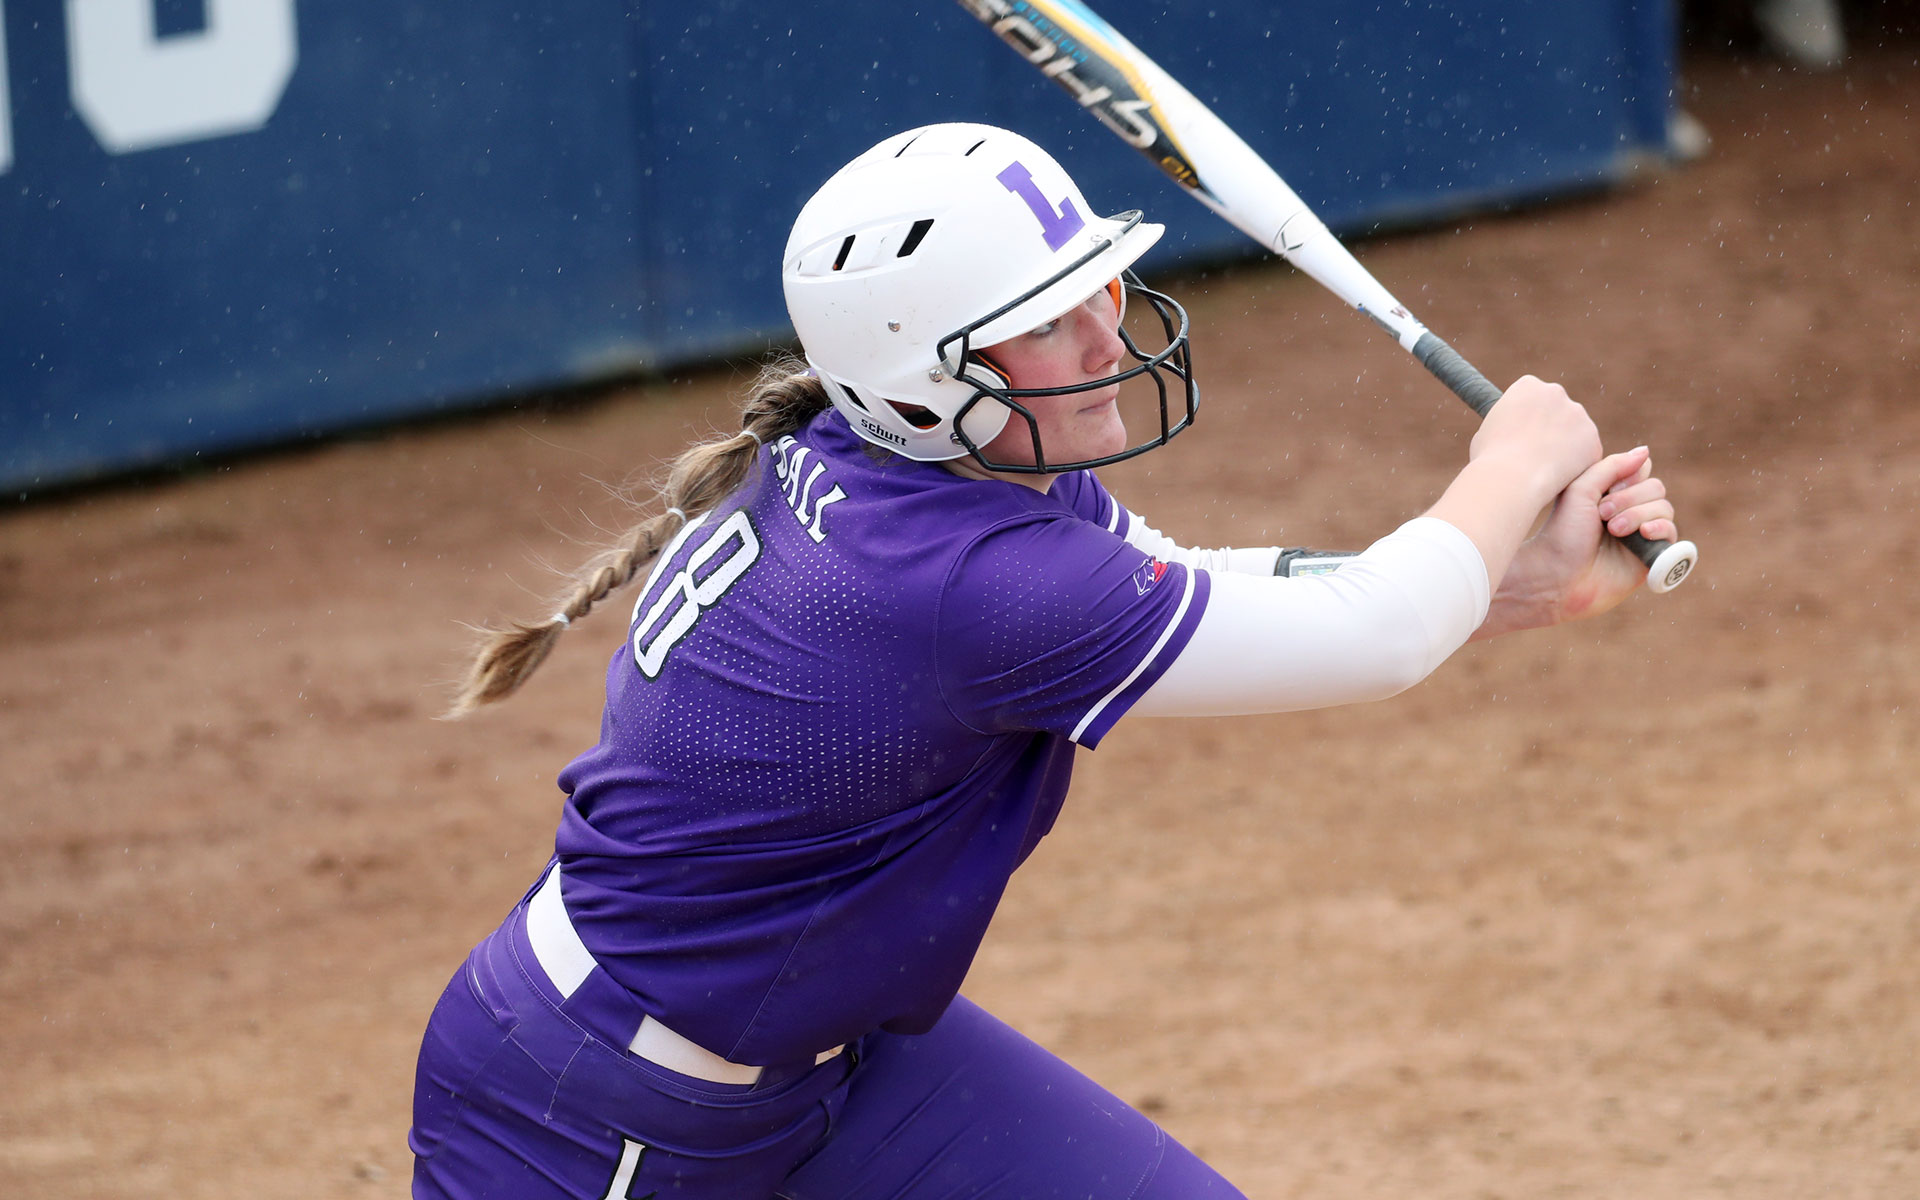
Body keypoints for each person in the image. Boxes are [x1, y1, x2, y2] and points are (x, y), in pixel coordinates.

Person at [409, 122, 1679, 1199]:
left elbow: (1196, 588)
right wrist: (1508, 466)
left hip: (824, 1069)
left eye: (1099, 295)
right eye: (1047, 324)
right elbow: (1375, 636)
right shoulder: (961, 585)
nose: (1103, 343)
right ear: (919, 383)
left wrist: (1521, 578)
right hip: (589, 1118)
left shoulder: (928, 476)